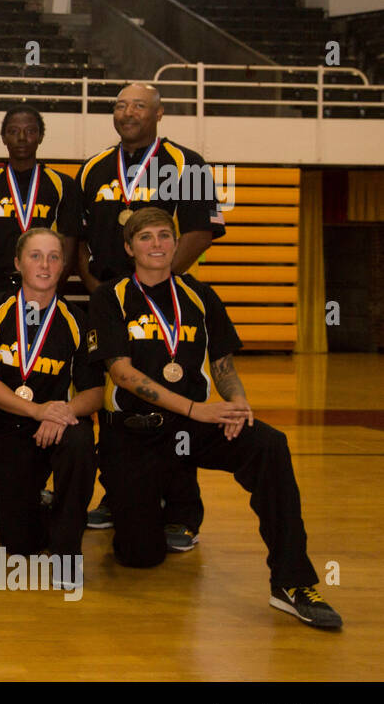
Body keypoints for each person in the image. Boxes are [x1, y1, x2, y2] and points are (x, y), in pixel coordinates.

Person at [86, 207, 340, 629]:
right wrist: (195, 409)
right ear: (129, 247)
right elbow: (122, 374)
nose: (157, 244)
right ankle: (160, 499)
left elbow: (222, 365)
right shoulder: (108, 297)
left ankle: (292, 582)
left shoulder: (201, 296)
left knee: (269, 444)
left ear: (176, 242)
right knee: (139, 557)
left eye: (165, 235)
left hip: (194, 426)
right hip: (135, 431)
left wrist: (238, 402)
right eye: (145, 237)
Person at [77, 82, 226, 538]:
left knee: (174, 391)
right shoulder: (94, 169)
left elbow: (201, 230)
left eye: (138, 105)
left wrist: (158, 283)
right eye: (120, 106)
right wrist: (95, 287)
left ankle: (181, 510)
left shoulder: (189, 164)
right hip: (106, 300)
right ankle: (116, 490)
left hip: (167, 302)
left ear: (159, 113)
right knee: (113, 397)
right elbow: (80, 241)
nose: (127, 113)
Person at [0, 229, 100, 564]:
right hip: (8, 429)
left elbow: (96, 392)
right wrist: (36, 410)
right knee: (21, 546)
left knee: (80, 439)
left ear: (63, 267)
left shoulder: (78, 320)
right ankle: (36, 504)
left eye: (54, 257)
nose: (45, 264)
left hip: (57, 428)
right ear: (18, 263)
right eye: (35, 256)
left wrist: (63, 411)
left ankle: (66, 547)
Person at [0, 105, 80, 297]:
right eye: (13, 131)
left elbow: (69, 248)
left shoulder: (63, 185)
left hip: (46, 286)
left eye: (30, 131)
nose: (22, 138)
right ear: (3, 137)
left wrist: (50, 290)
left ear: (40, 137)